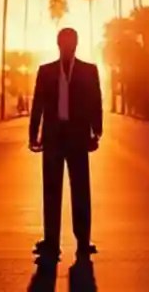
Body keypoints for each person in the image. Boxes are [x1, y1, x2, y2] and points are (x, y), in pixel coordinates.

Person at [29, 28, 103, 259]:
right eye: (64, 43)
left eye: (71, 43)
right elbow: (38, 104)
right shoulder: (46, 71)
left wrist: (96, 131)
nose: (68, 47)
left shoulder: (88, 71)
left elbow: (95, 101)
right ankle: (51, 241)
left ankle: (83, 240)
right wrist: (33, 133)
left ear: (77, 45)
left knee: (81, 189)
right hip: (53, 136)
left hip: (78, 136)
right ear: (58, 44)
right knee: (51, 189)